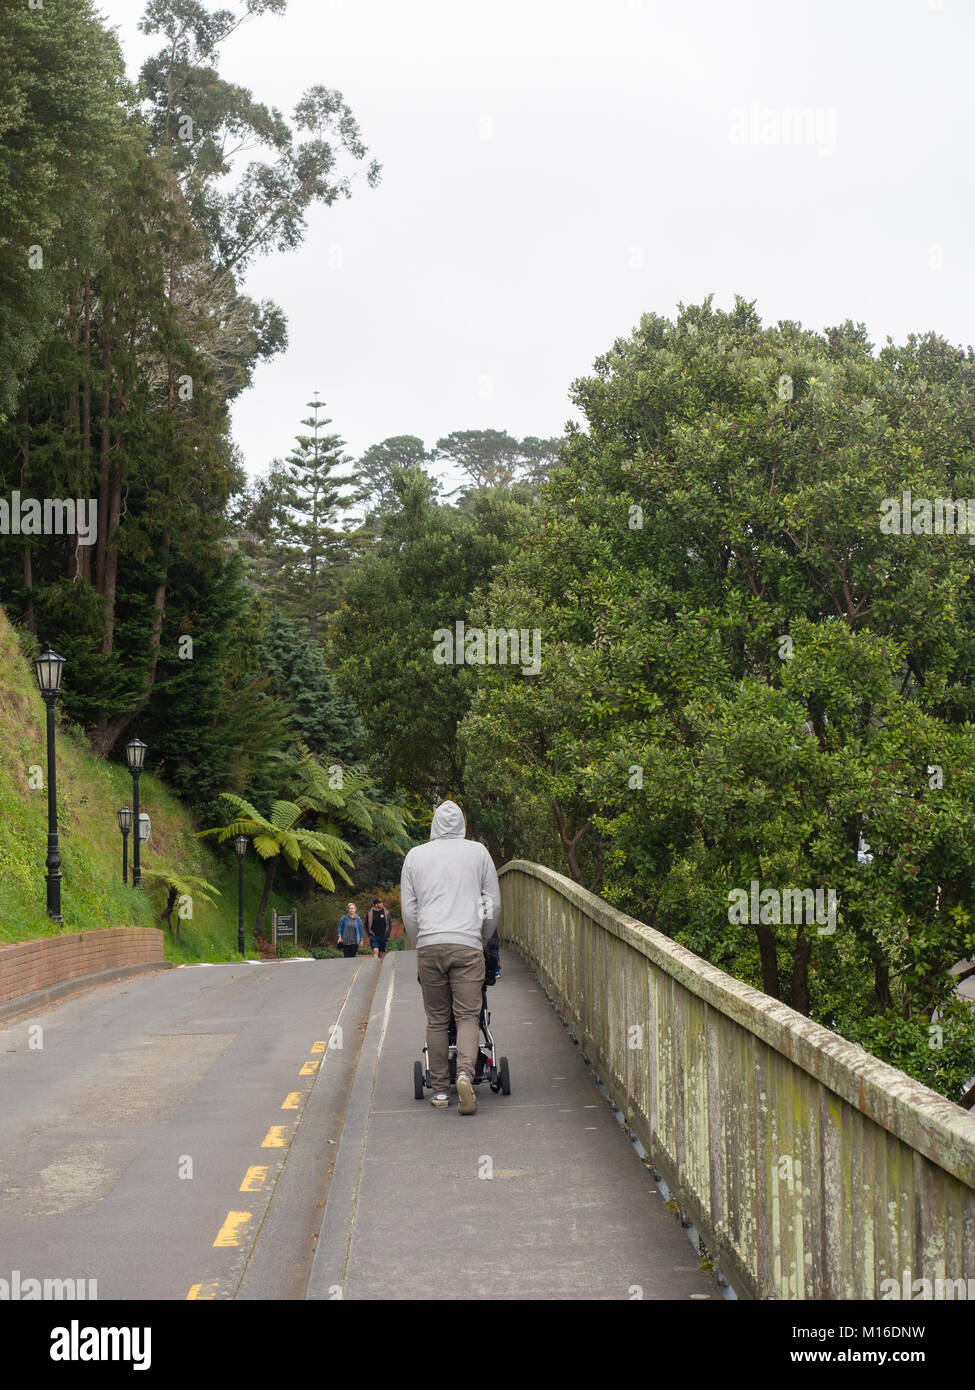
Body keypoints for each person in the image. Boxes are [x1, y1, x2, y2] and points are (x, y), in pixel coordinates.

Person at [400, 800, 501, 1115]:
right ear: (462, 824)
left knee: (437, 1018)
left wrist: (420, 941)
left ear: (433, 824)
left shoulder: (415, 856)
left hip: (429, 945)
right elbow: (491, 904)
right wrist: (482, 937)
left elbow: (409, 909)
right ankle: (465, 1075)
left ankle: (441, 1091)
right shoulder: (478, 852)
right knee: (468, 1017)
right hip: (467, 943)